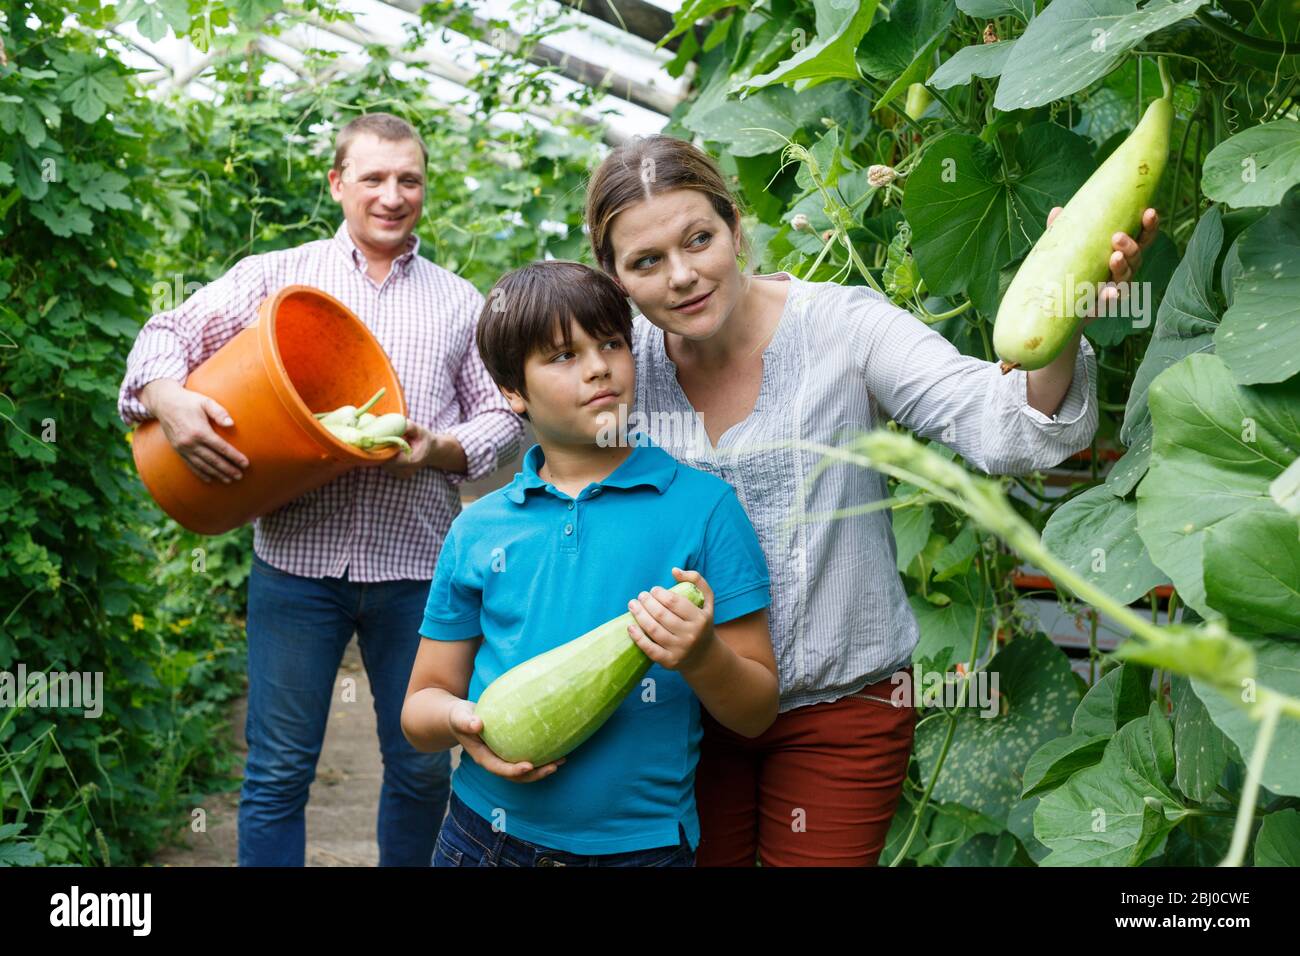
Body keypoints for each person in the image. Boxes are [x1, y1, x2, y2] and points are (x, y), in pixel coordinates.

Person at [583, 134, 1160, 866]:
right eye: (646, 262)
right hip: (678, 711)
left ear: (735, 224)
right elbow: (557, 494)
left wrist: (1066, 302)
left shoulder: (844, 327)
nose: (684, 276)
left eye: (699, 238)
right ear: (614, 278)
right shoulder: (616, 365)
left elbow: (999, 426)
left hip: (842, 708)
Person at [117, 113, 524, 866]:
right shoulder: (279, 277)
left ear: (424, 188)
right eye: (373, 177)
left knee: (420, 767)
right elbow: (165, 333)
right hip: (298, 567)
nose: (392, 195)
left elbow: (505, 412)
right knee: (276, 771)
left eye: (409, 179)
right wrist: (168, 400)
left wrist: (441, 448)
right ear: (338, 183)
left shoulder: (460, 302)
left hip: (417, 573)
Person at [401, 259, 778, 866]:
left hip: (638, 852)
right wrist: (464, 722)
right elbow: (420, 708)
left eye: (611, 343)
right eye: (562, 356)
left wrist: (703, 655)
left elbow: (757, 710)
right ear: (511, 391)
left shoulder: (705, 510)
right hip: (481, 838)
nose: (599, 366)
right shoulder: (479, 528)